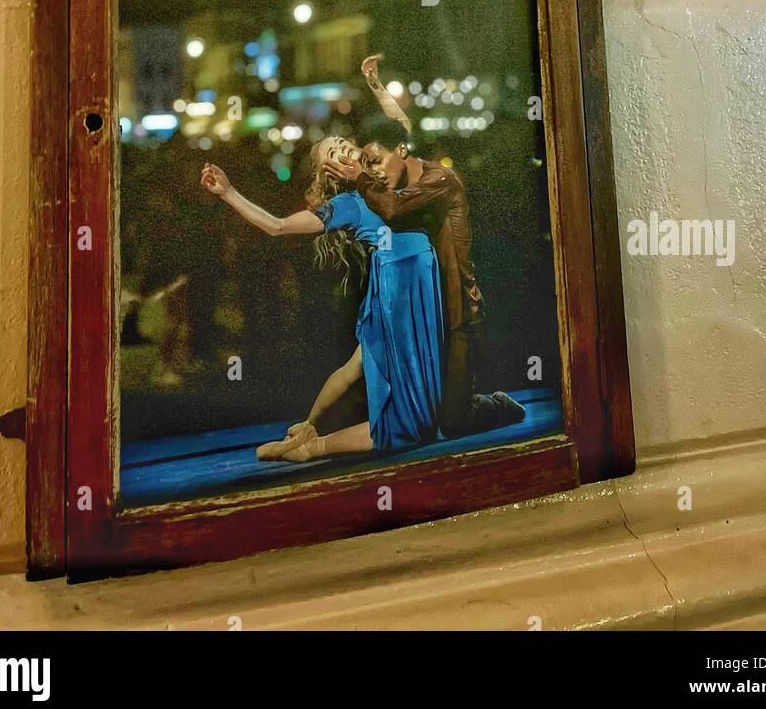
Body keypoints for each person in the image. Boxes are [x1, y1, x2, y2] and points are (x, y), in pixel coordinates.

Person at [199, 136, 444, 463]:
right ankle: (313, 446)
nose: (341, 148)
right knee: (408, 426)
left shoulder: (389, 175)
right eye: (331, 152)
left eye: (341, 141)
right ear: (331, 171)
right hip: (398, 292)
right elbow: (278, 226)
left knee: (355, 367)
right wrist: (228, 193)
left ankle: (307, 428)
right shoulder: (350, 203)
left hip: (419, 284)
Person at [323, 54, 525, 438]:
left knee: (452, 422)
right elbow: (399, 128)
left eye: (378, 161)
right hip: (425, 308)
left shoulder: (439, 180)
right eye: (369, 166)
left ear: (400, 152)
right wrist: (376, 88)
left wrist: (360, 181)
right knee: (419, 413)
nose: (375, 171)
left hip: (455, 310)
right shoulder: (398, 170)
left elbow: (394, 207)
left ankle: (495, 404)